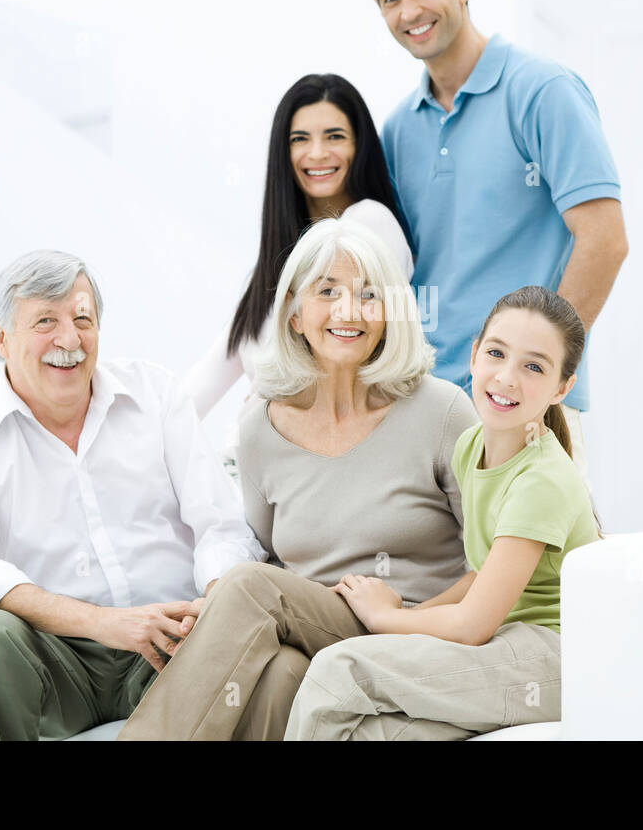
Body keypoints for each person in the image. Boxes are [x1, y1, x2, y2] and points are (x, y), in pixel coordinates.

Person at [118, 218, 478, 740]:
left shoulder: (441, 410)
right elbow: (267, 553)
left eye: (368, 295)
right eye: (327, 291)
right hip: (315, 635)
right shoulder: (260, 426)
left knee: (248, 588)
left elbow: (493, 563)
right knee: (281, 675)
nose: (348, 311)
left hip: (415, 628)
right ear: (292, 311)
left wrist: (400, 619)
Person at [0, 249, 266, 740]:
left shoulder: (155, 395)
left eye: (82, 318)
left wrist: (210, 604)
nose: (69, 339)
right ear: (1, 338)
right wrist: (102, 623)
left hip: (171, 646)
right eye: (45, 320)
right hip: (55, 661)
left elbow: (222, 525)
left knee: (250, 634)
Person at [365, 0, 628, 480]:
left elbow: (605, 240)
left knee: (535, 568)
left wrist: (540, 378)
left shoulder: (541, 91)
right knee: (449, 572)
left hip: (525, 406)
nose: (409, 10)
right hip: (428, 408)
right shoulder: (395, 130)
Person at [286, 286, 600, 740]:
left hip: (554, 659)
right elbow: (485, 576)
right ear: (474, 356)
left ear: (562, 388)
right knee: (376, 732)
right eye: (497, 353)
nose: (507, 377)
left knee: (341, 669)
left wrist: (386, 620)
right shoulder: (471, 448)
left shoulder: (542, 480)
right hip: (508, 644)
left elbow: (473, 624)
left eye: (534, 366)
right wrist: (405, 620)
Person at [182, 74, 414, 457]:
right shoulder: (274, 263)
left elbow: (337, 359)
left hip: (327, 464)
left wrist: (261, 405)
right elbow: (206, 379)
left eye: (335, 136)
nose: (318, 153)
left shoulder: (371, 224)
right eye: (300, 139)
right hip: (257, 468)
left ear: (360, 146)